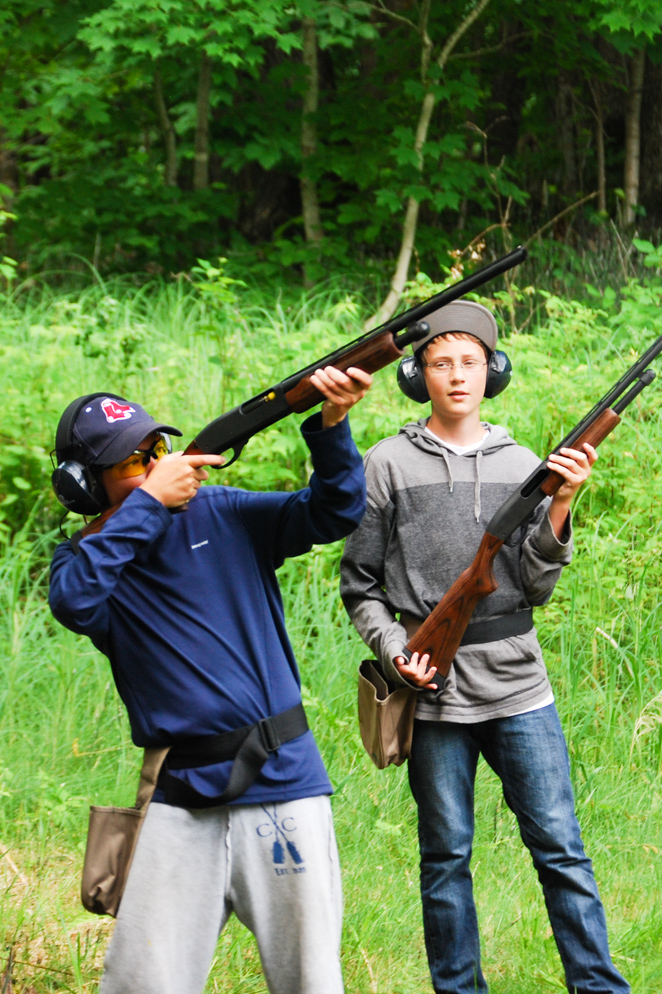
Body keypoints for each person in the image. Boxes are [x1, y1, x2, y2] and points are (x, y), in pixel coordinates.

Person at [49, 364, 372, 994]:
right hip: (177, 795)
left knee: (312, 982)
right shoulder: (87, 557)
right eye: (135, 461)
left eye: (157, 449)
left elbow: (334, 512)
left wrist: (332, 425)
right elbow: (77, 602)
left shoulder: (224, 511)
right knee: (142, 982)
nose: (158, 463)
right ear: (84, 486)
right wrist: (147, 505)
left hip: (283, 781)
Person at [339, 301, 629, 994]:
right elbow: (360, 586)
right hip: (433, 693)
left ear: (492, 371)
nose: (457, 376)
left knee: (561, 850)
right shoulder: (385, 465)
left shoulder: (524, 463)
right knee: (445, 858)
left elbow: (535, 584)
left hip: (519, 687)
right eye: (441, 363)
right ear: (419, 374)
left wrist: (559, 505)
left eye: (471, 362)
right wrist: (394, 652)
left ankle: (599, 987)